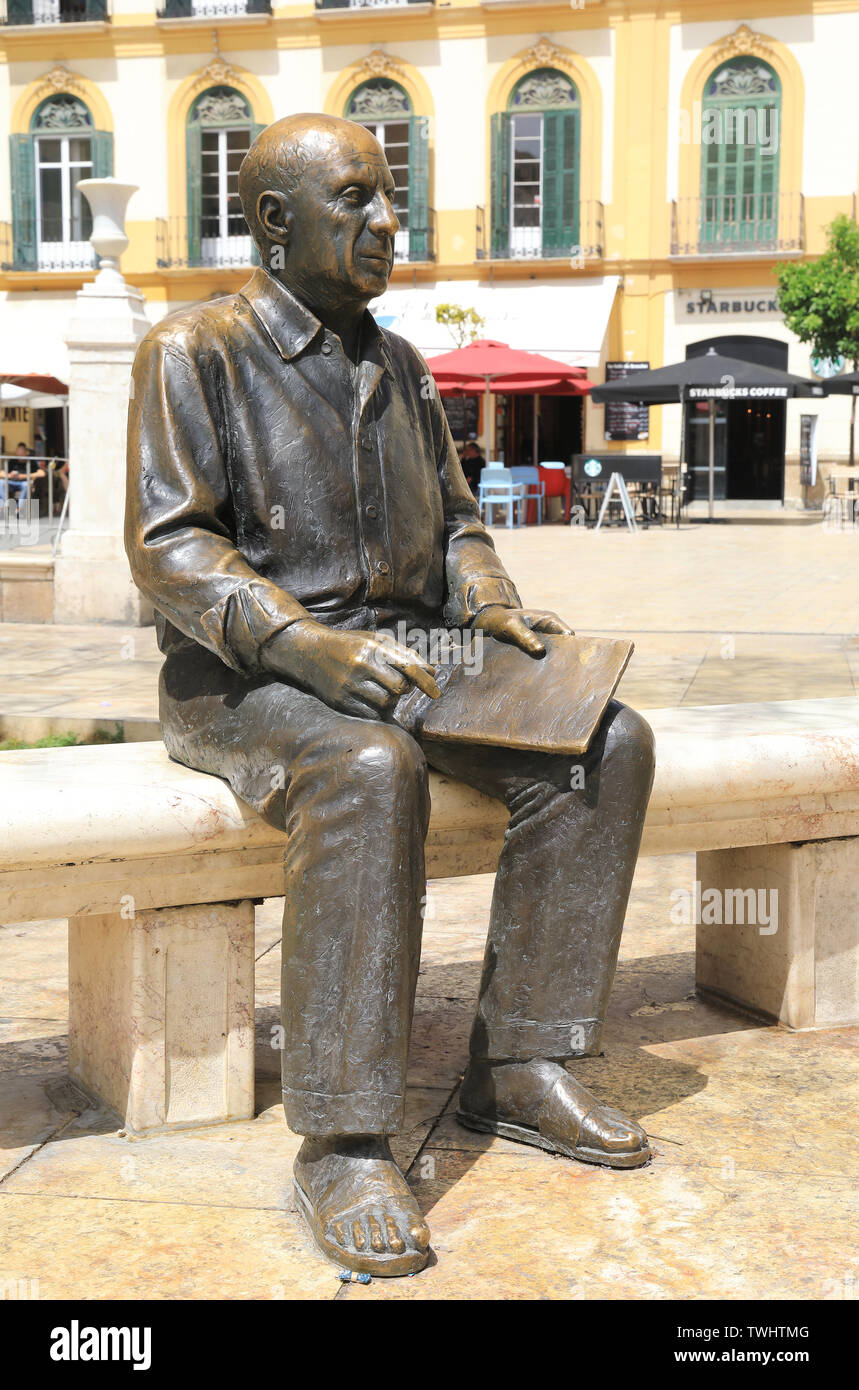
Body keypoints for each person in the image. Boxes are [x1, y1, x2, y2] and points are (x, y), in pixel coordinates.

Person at [126, 114, 655, 1279]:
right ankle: (344, 1137)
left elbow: (459, 525)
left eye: (387, 199)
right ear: (274, 222)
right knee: (372, 770)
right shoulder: (193, 351)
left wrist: (491, 600)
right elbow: (169, 551)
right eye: (355, 200)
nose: (386, 223)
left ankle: (519, 1063)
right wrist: (304, 646)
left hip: (415, 649)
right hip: (250, 677)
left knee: (605, 742)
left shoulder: (402, 364)